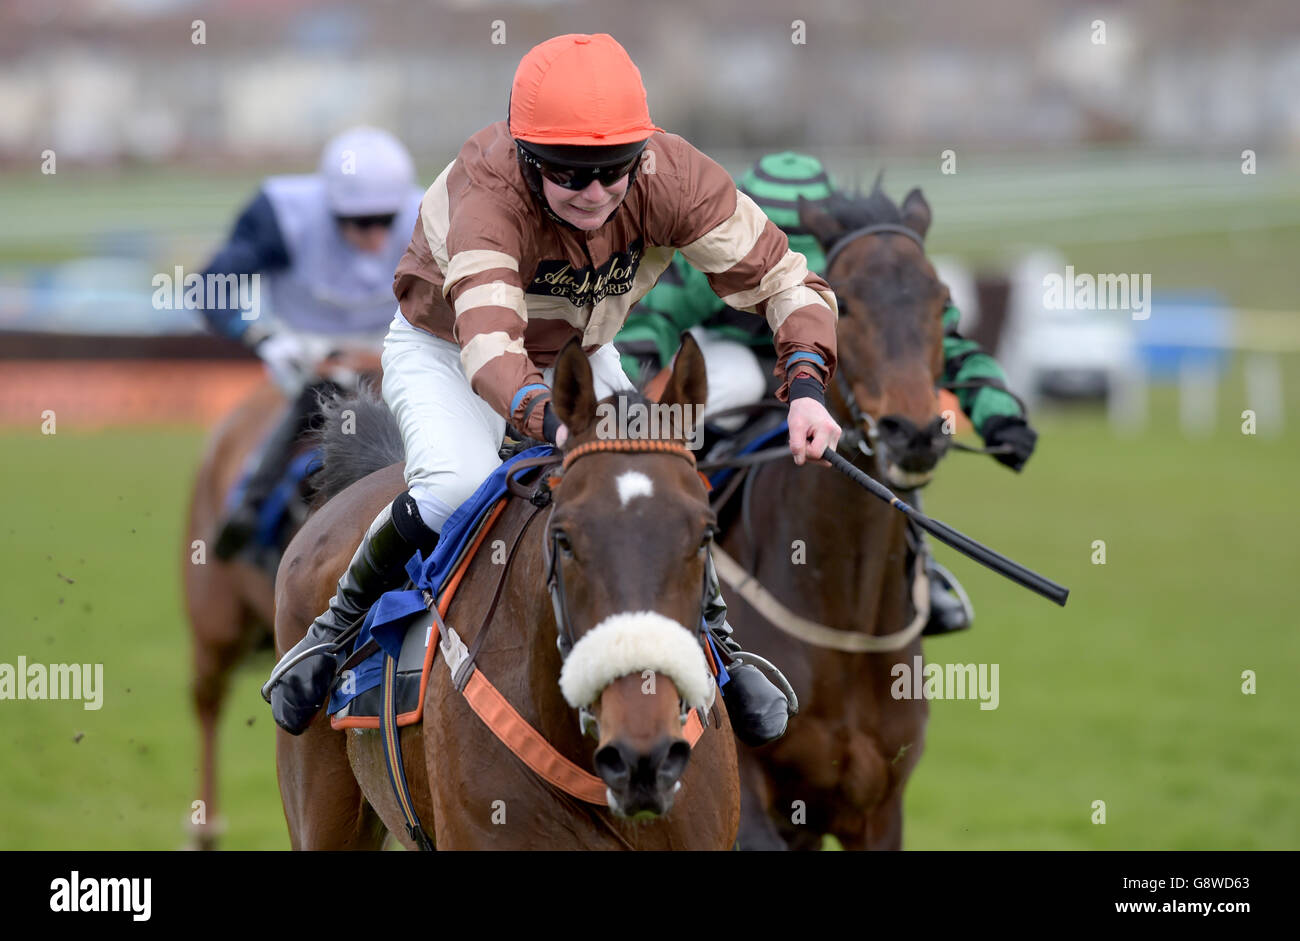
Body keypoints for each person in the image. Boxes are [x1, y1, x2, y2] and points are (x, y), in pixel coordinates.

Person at [266, 34, 843, 745]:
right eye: (570, 174)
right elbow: (491, 348)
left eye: (613, 171)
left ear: (644, 153)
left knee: (654, 477)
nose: (595, 192)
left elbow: (788, 280)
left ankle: (722, 653)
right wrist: (553, 423)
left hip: (580, 351)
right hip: (449, 351)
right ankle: (330, 631)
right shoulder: (489, 194)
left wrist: (808, 385)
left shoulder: (678, 178)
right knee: (456, 484)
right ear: (527, 158)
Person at [614, 152, 1038, 635]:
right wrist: (624, 396)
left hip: (819, 364)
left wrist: (998, 414)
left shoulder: (856, 267)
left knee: (887, 428)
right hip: (740, 360)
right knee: (714, 391)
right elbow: (653, 322)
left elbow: (947, 345)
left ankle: (918, 561)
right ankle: (679, 545)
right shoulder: (713, 247)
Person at [198, 127, 424, 560]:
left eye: (386, 220)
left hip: (399, 352)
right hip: (308, 356)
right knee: (316, 397)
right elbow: (209, 288)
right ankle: (251, 502)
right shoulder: (281, 214)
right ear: (330, 207)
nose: (376, 236)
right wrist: (263, 338)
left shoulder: (431, 211)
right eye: (359, 223)